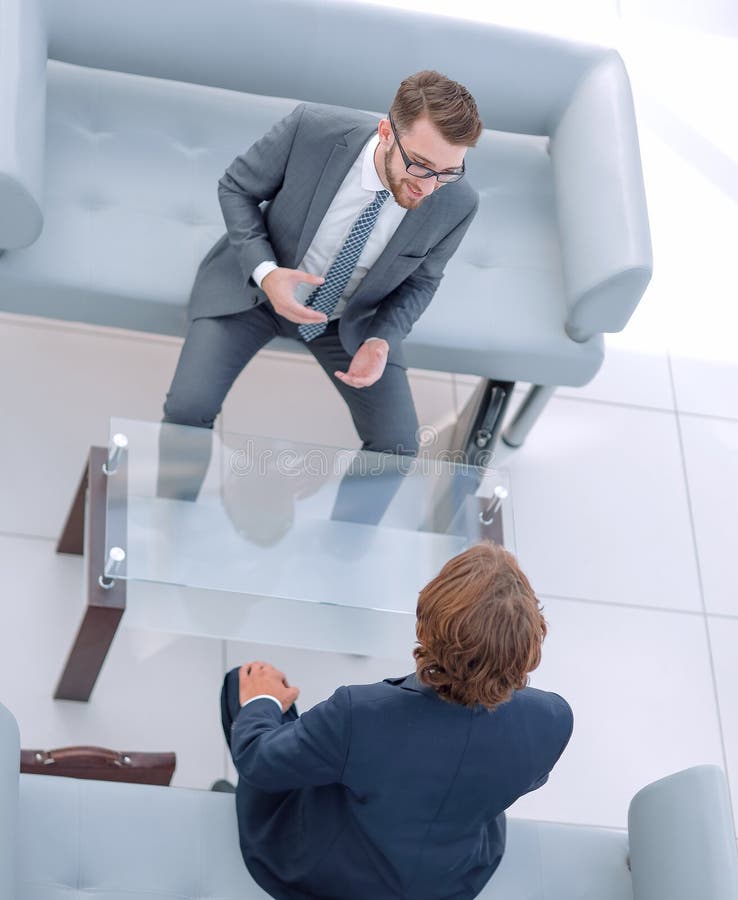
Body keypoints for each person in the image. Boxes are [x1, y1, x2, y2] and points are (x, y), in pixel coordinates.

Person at [158, 70, 481, 500]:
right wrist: (267, 272)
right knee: (187, 409)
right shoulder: (311, 130)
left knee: (397, 448)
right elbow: (236, 188)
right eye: (420, 165)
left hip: (351, 319)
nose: (427, 186)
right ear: (386, 132)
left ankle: (345, 550)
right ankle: (172, 519)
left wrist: (383, 339)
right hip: (255, 291)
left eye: (446, 171)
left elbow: (423, 281)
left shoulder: (456, 202)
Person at [219, 542, 573, 900]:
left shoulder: (360, 713)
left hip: (330, 877)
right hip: (450, 880)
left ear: (427, 624)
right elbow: (527, 778)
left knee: (243, 682)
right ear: (528, 643)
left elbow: (258, 760)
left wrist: (263, 699)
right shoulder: (552, 720)